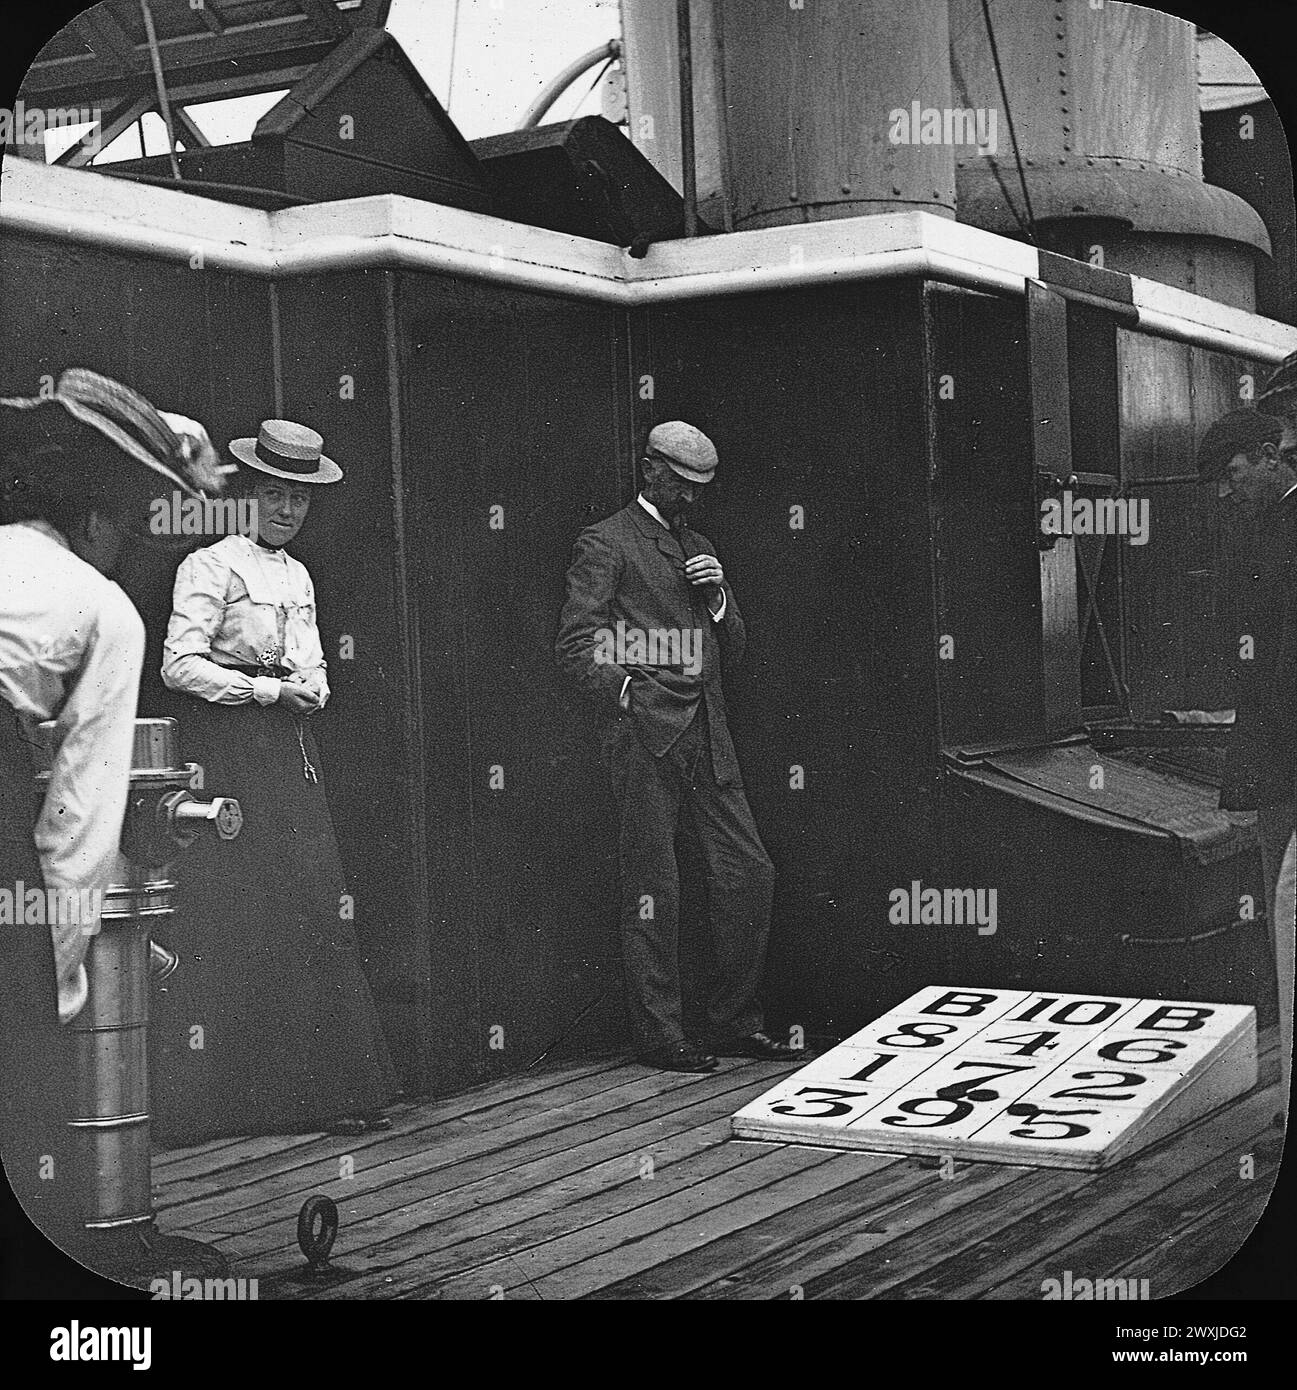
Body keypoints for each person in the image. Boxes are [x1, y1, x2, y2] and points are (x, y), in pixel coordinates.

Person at [1, 368, 221, 1246]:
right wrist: (54, 979)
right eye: (127, 524)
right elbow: (79, 827)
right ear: (100, 516)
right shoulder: (106, 609)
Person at [152, 418, 397, 1142]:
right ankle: (228, 1104)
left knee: (315, 905)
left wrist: (311, 688)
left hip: (291, 749)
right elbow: (178, 664)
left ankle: (329, 1091)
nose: (286, 511)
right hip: (228, 751)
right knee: (240, 909)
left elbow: (313, 660)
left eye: (299, 500)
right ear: (247, 496)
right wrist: (262, 693)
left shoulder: (298, 576)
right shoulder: (210, 565)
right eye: (271, 495)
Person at [556, 421, 800, 1073]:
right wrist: (630, 694)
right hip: (644, 739)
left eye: (701, 488)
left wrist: (719, 599)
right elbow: (576, 646)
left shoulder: (698, 546)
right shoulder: (605, 542)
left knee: (748, 873)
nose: (691, 499)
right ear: (650, 470)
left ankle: (729, 1022)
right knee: (652, 888)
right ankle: (660, 1035)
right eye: (682, 484)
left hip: (708, 735)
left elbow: (735, 651)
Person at [1196, 404, 1295, 1117]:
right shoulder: (1266, 528)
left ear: (1269, 455)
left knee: (1285, 910)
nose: (1228, 493)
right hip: (1275, 750)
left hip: (1285, 752)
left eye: (1234, 476)